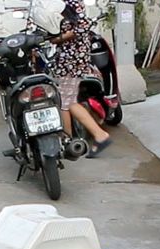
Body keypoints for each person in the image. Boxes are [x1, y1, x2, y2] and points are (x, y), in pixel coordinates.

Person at [47, 0, 112, 158]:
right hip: (68, 56)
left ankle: (70, 141)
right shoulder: (60, 3)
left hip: (72, 57)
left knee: (65, 102)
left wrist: (58, 38)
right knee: (67, 101)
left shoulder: (73, 2)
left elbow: (82, 27)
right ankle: (90, 137)